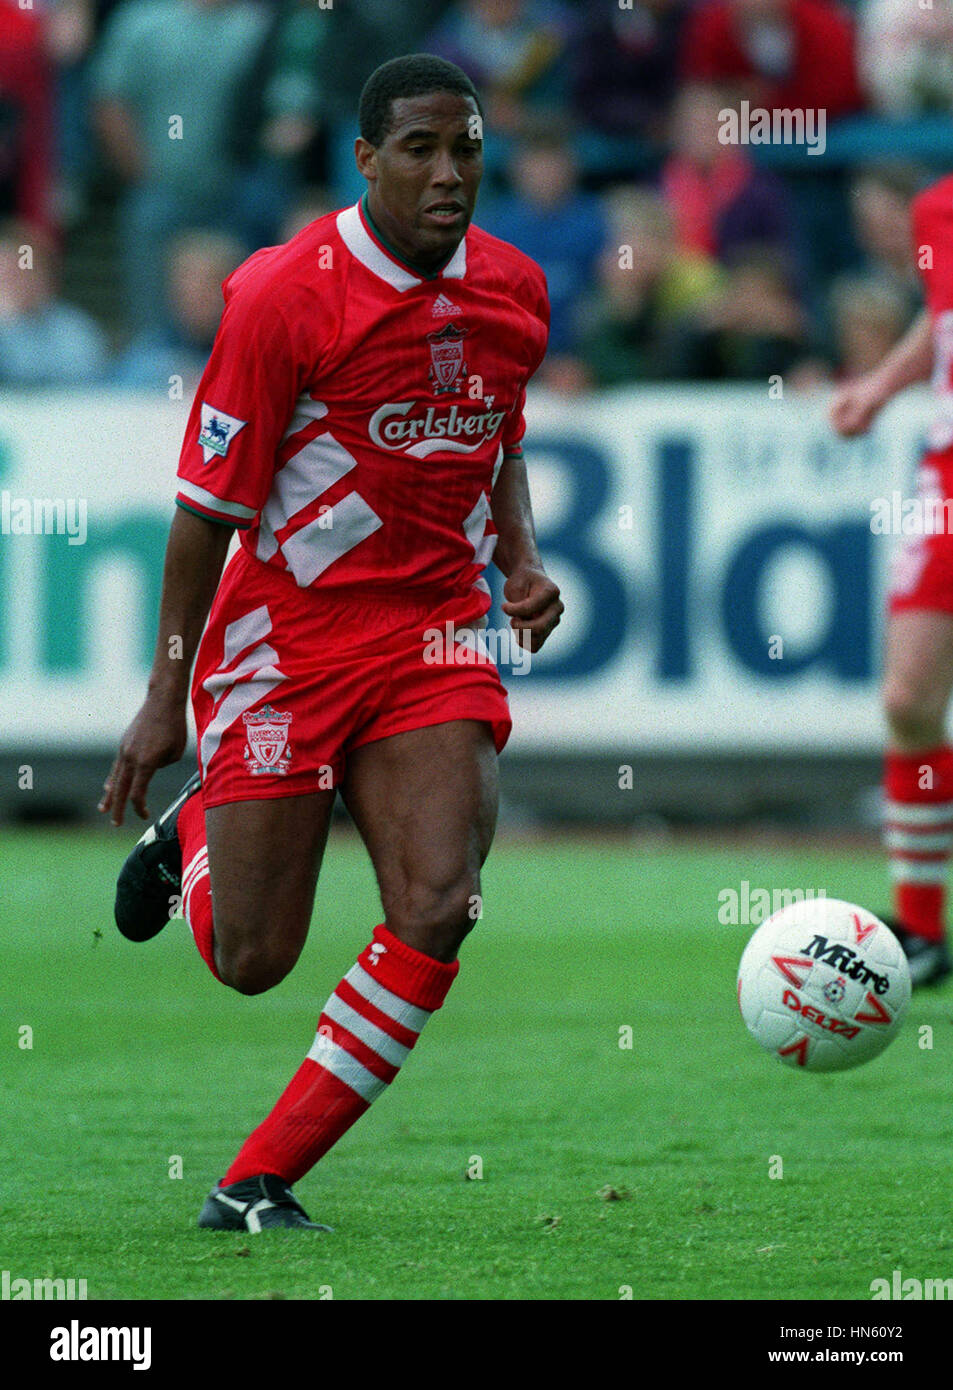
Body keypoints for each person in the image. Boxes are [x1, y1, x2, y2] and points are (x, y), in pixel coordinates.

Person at [98, 53, 563, 1231]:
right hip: (287, 637)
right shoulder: (281, 295)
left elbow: (497, 434)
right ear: (364, 161)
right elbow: (205, 511)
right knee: (250, 957)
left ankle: (255, 1178)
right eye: (419, 149)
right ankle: (195, 819)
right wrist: (165, 701)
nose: (448, 173)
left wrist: (516, 556)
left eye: (465, 147)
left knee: (440, 897)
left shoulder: (513, 289)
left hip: (432, 631)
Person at [829, 173, 953, 987]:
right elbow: (942, 324)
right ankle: (919, 927)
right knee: (907, 697)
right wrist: (880, 384)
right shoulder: (935, 208)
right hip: (946, 471)